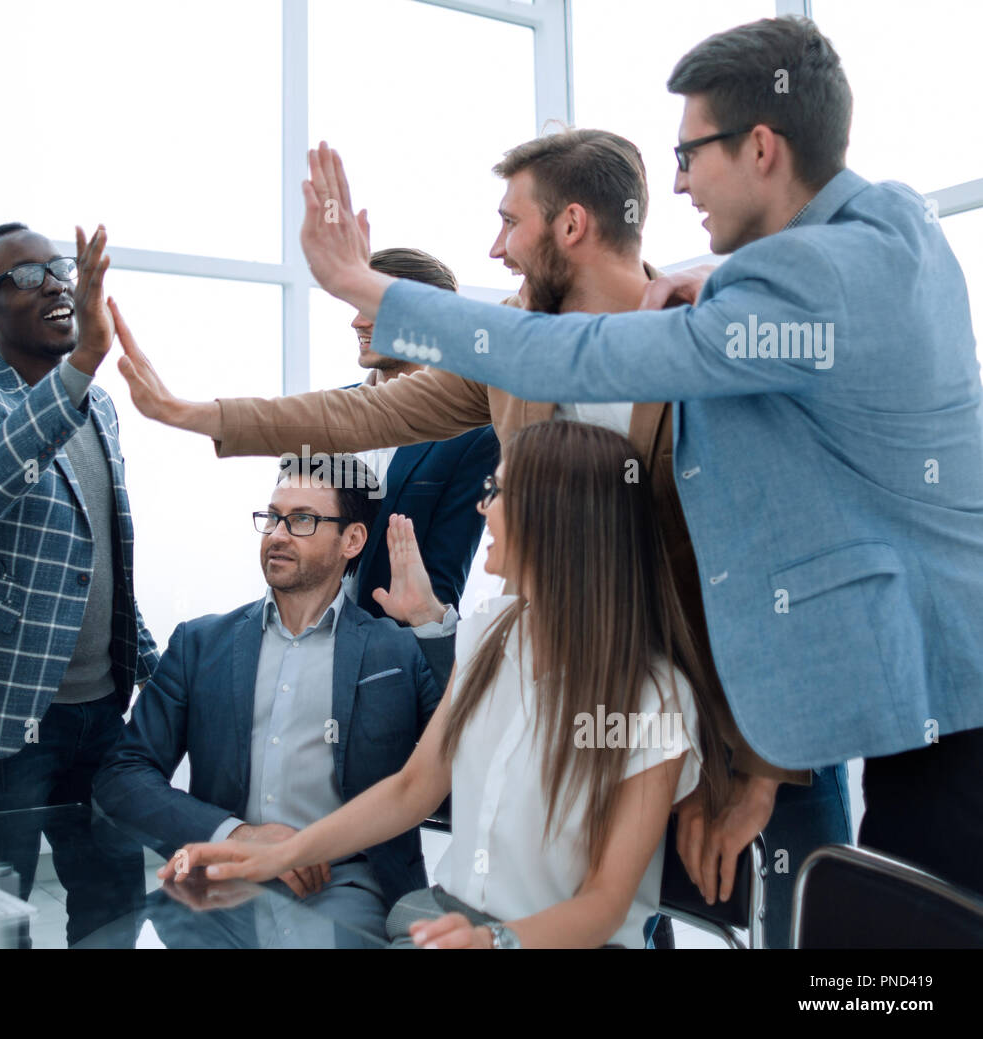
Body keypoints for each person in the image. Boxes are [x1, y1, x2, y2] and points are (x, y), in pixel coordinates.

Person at [293, 17, 983, 898]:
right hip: (930, 686)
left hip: (922, 710)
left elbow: (577, 353)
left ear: (762, 146)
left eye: (691, 151)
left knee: (889, 961)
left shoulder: (800, 280)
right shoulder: (892, 222)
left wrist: (368, 287)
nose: (681, 179)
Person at [112, 127, 849, 943]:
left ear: (571, 225)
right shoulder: (512, 346)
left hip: (730, 717)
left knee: (806, 936)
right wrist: (197, 415)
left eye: (509, 221)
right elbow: (365, 411)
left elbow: (787, 557)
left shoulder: (701, 332)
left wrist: (759, 772)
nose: (495, 247)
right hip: (581, 687)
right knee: (602, 901)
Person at [166, 420, 732, 948]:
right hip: (446, 918)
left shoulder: (655, 696)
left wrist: (495, 941)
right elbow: (416, 787)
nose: (483, 507)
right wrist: (276, 854)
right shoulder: (488, 635)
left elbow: (608, 904)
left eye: (500, 492)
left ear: (558, 520)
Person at [94, 453, 452, 945]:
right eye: (273, 517)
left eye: (302, 519)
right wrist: (237, 836)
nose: (278, 535)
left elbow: (460, 776)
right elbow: (122, 776)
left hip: (348, 891)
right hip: (220, 888)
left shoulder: (397, 653)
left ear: (352, 540)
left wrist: (431, 624)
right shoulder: (201, 645)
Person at [0, 222, 155, 946]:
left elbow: (100, 555)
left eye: (56, 268)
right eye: (25, 278)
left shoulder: (100, 407)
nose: (55, 284)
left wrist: (154, 666)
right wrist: (81, 365)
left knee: (114, 901)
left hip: (103, 708)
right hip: (11, 715)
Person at [343, 247, 497, 621]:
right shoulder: (334, 409)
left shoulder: (472, 436)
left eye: (373, 307)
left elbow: (439, 590)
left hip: (386, 659)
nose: (357, 322)